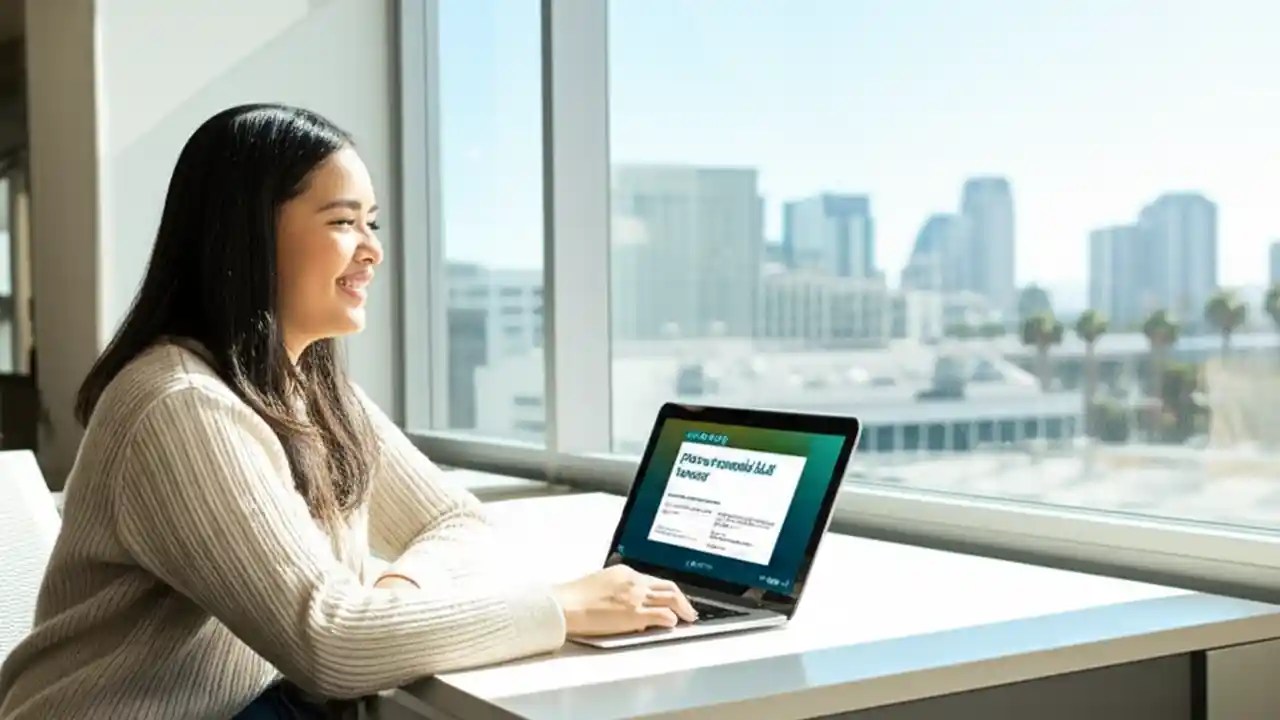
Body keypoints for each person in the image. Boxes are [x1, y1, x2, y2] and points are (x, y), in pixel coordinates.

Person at [0, 104, 695, 720]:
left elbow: (454, 520)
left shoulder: (304, 386)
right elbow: (331, 644)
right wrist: (559, 606)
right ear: (246, 235)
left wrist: (398, 586)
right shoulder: (182, 408)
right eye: (342, 222)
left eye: (372, 222)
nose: (374, 249)